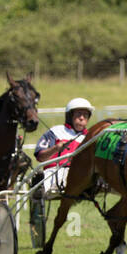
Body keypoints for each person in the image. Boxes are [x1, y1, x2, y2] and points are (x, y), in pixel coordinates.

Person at [29, 98, 92, 241]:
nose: (82, 118)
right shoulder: (56, 132)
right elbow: (40, 156)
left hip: (81, 175)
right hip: (55, 172)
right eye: (78, 114)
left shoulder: (91, 136)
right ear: (70, 116)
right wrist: (55, 148)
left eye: (85, 115)